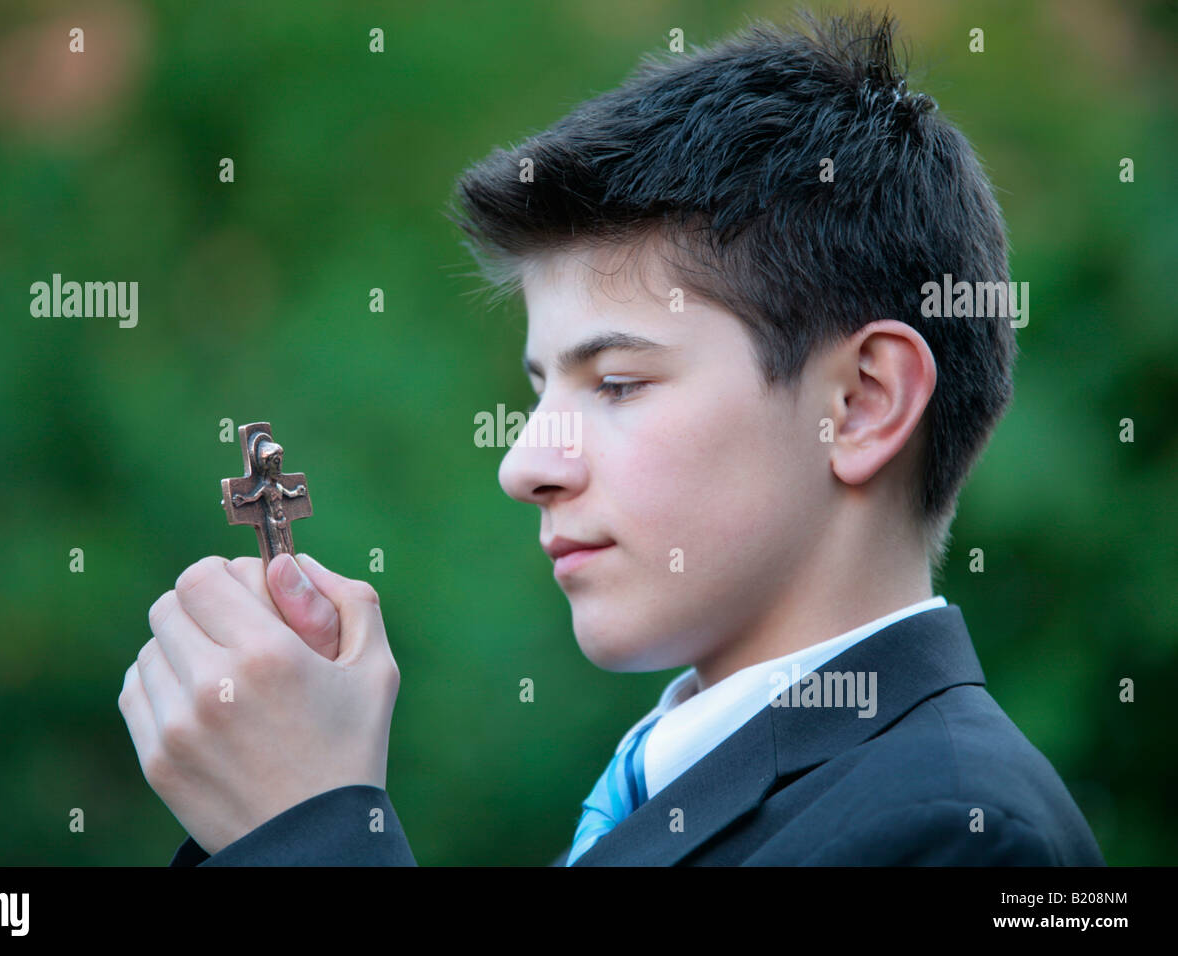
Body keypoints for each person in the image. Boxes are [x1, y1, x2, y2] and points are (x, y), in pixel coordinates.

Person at [119, 8, 1105, 866]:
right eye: (541, 388)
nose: (523, 464)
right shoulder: (673, 795)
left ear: (858, 404)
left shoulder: (957, 833)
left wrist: (309, 829)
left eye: (619, 382)